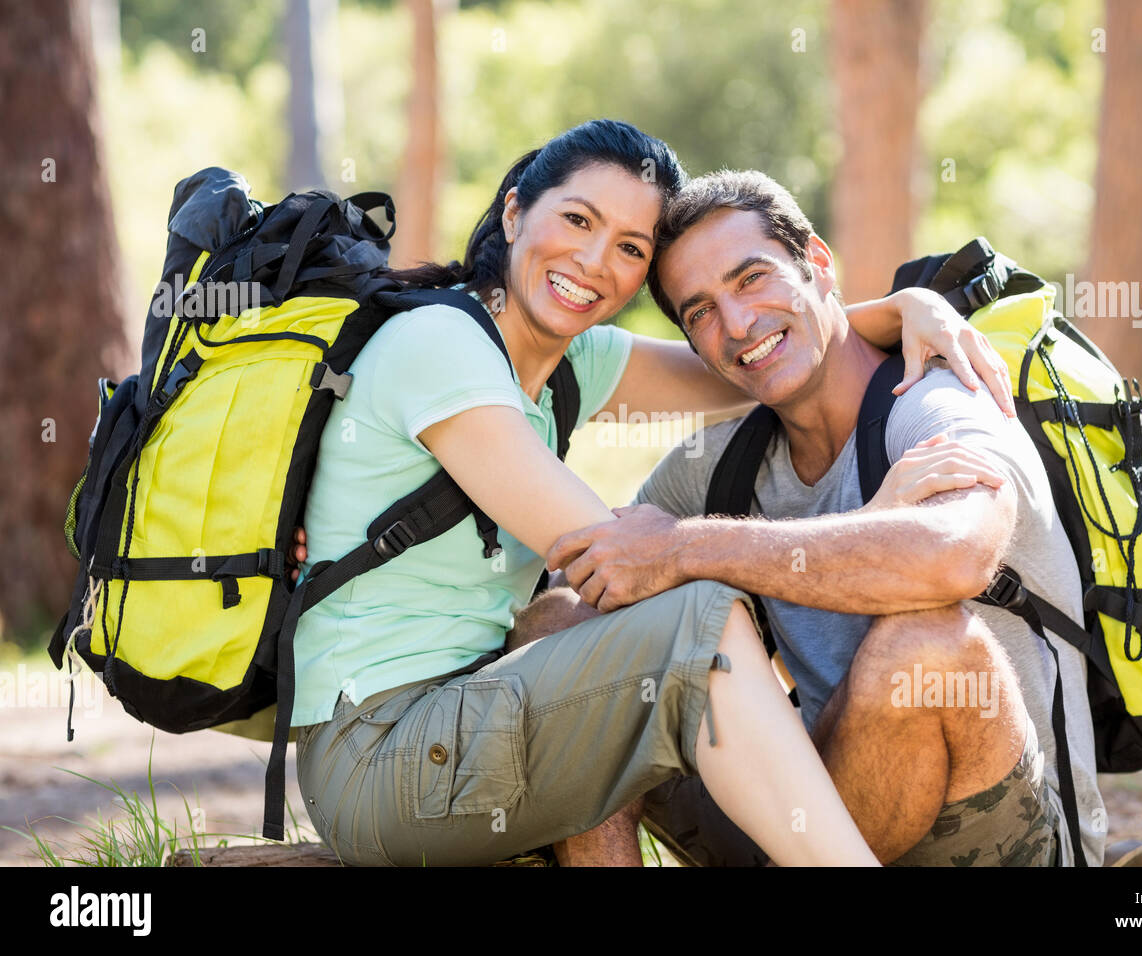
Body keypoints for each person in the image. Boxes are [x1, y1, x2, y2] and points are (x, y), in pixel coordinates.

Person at [285, 121, 1012, 866]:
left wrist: (908, 306)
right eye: (577, 220)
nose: (595, 261)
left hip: (462, 728)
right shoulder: (440, 345)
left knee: (610, 611)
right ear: (513, 216)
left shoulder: (577, 362)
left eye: (631, 248)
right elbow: (630, 559)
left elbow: (751, 354)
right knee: (696, 614)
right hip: (379, 755)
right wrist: (872, 523)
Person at [542, 169, 1107, 866]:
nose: (738, 324)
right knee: (562, 626)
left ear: (817, 264)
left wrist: (687, 550)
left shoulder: (937, 402)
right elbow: (595, 569)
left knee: (921, 650)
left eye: (751, 279)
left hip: (991, 830)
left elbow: (957, 557)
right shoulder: (721, 462)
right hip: (809, 815)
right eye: (701, 312)